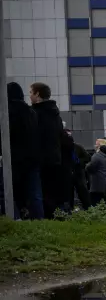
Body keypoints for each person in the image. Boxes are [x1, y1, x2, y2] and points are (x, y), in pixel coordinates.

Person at [7, 82, 42, 219]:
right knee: (35, 193)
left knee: (12, 192)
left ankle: (16, 218)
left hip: (14, 157)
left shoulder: (7, 110)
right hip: (33, 157)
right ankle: (39, 220)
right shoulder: (31, 111)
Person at [30, 82, 63, 218]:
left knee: (40, 191)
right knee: (52, 191)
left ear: (37, 94)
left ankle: (44, 219)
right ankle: (54, 217)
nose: (30, 96)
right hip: (55, 157)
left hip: (40, 158)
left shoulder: (36, 113)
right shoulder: (55, 113)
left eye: (31, 93)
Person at [86, 139, 106, 206]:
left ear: (100, 146)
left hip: (97, 184)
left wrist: (87, 165)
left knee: (95, 203)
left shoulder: (96, 156)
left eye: (96, 144)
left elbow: (90, 167)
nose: (94, 146)